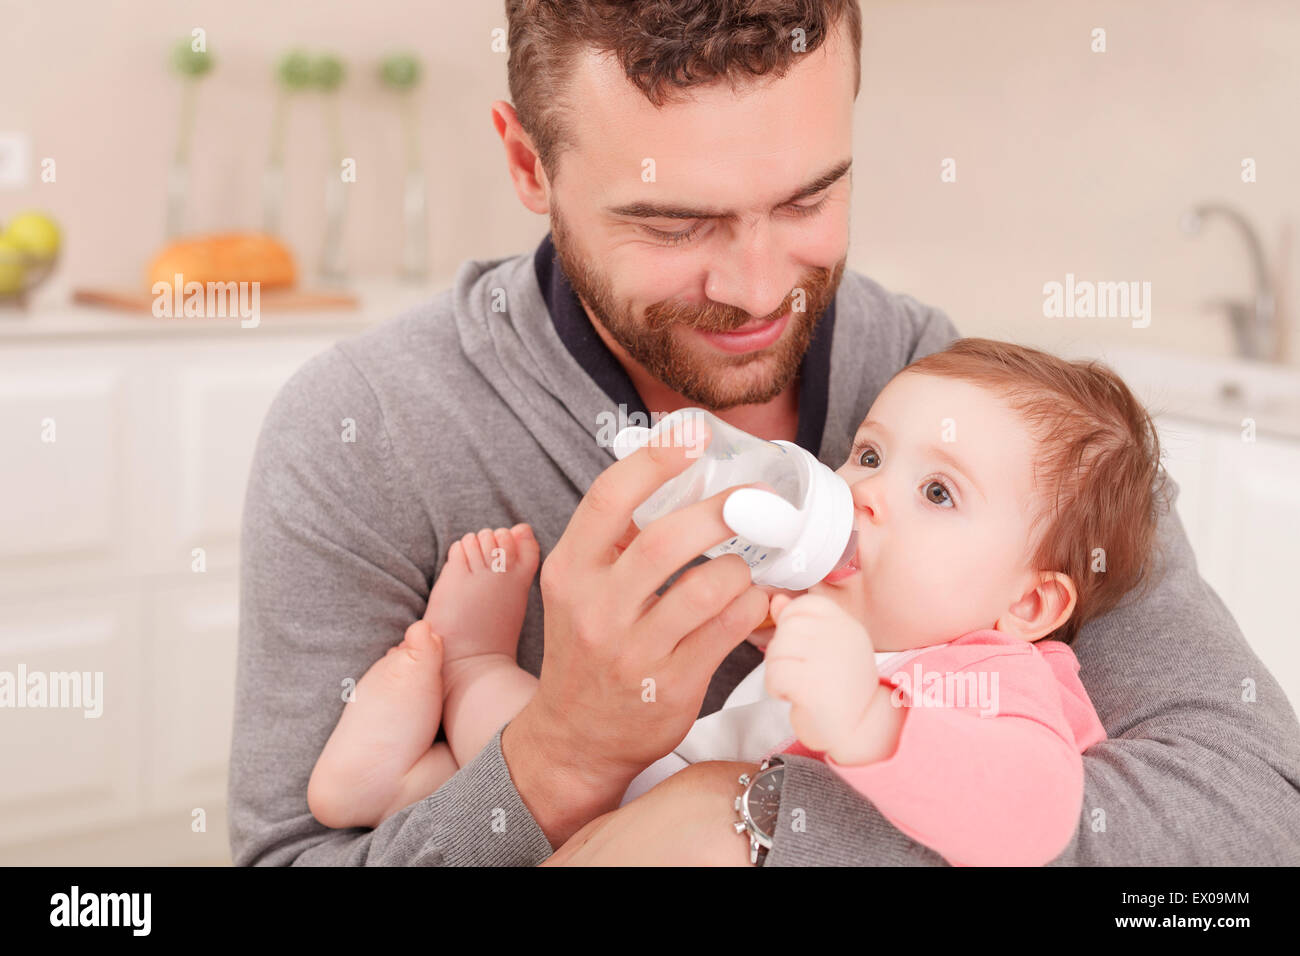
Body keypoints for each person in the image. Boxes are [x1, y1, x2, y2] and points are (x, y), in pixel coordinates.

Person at [228, 0, 1300, 865]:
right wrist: (561, 754)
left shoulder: (988, 422)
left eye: (806, 199)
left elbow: (1253, 817)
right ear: (528, 165)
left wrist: (740, 819)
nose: (754, 289)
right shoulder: (366, 431)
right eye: (672, 221)